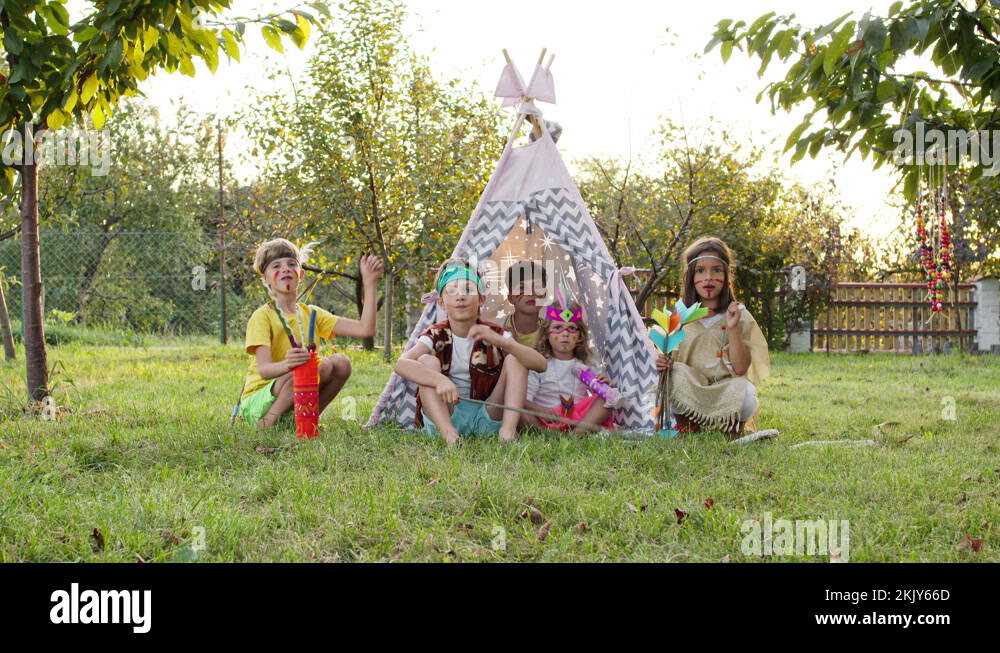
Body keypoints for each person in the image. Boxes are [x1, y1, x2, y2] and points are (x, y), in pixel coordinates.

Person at [394, 258, 547, 446]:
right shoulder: (435, 334)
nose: (460, 296)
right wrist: (439, 380)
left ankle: (507, 432)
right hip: (448, 414)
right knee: (426, 361)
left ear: (481, 299)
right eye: (452, 291)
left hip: (488, 415)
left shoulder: (495, 333)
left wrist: (503, 342)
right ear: (441, 303)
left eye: (468, 289)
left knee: (515, 358)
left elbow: (541, 365)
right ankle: (449, 435)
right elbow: (401, 364)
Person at [239, 238, 383, 429]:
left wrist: (370, 283)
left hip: (296, 390)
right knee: (316, 366)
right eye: (276, 266)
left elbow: (366, 329)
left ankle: (305, 419)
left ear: (301, 274)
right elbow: (264, 371)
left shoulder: (312, 314)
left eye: (292, 264)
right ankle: (266, 424)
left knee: (341, 363)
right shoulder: (262, 316)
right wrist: (288, 364)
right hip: (259, 401)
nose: (285, 269)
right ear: (265, 279)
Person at [654, 236, 770, 438]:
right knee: (673, 377)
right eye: (700, 270)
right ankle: (687, 426)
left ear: (726, 275)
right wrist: (663, 362)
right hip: (692, 388)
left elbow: (740, 369)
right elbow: (671, 358)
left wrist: (733, 328)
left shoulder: (739, 314)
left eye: (716, 270)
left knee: (746, 393)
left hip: (724, 388)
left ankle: (732, 429)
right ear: (691, 277)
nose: (708, 277)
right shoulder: (680, 316)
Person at [521, 301, 614, 435]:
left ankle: (577, 434)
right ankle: (549, 435)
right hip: (546, 418)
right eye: (558, 327)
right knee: (518, 411)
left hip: (578, 419)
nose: (565, 333)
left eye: (571, 328)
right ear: (546, 333)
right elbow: (524, 401)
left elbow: (597, 399)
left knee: (608, 398)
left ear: (580, 336)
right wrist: (541, 410)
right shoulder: (539, 364)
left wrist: (604, 387)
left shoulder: (586, 364)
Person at [503, 260, 547, 348]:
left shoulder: (551, 333)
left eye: (537, 287)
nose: (530, 293)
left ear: (544, 295)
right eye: (522, 288)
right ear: (511, 298)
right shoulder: (496, 331)